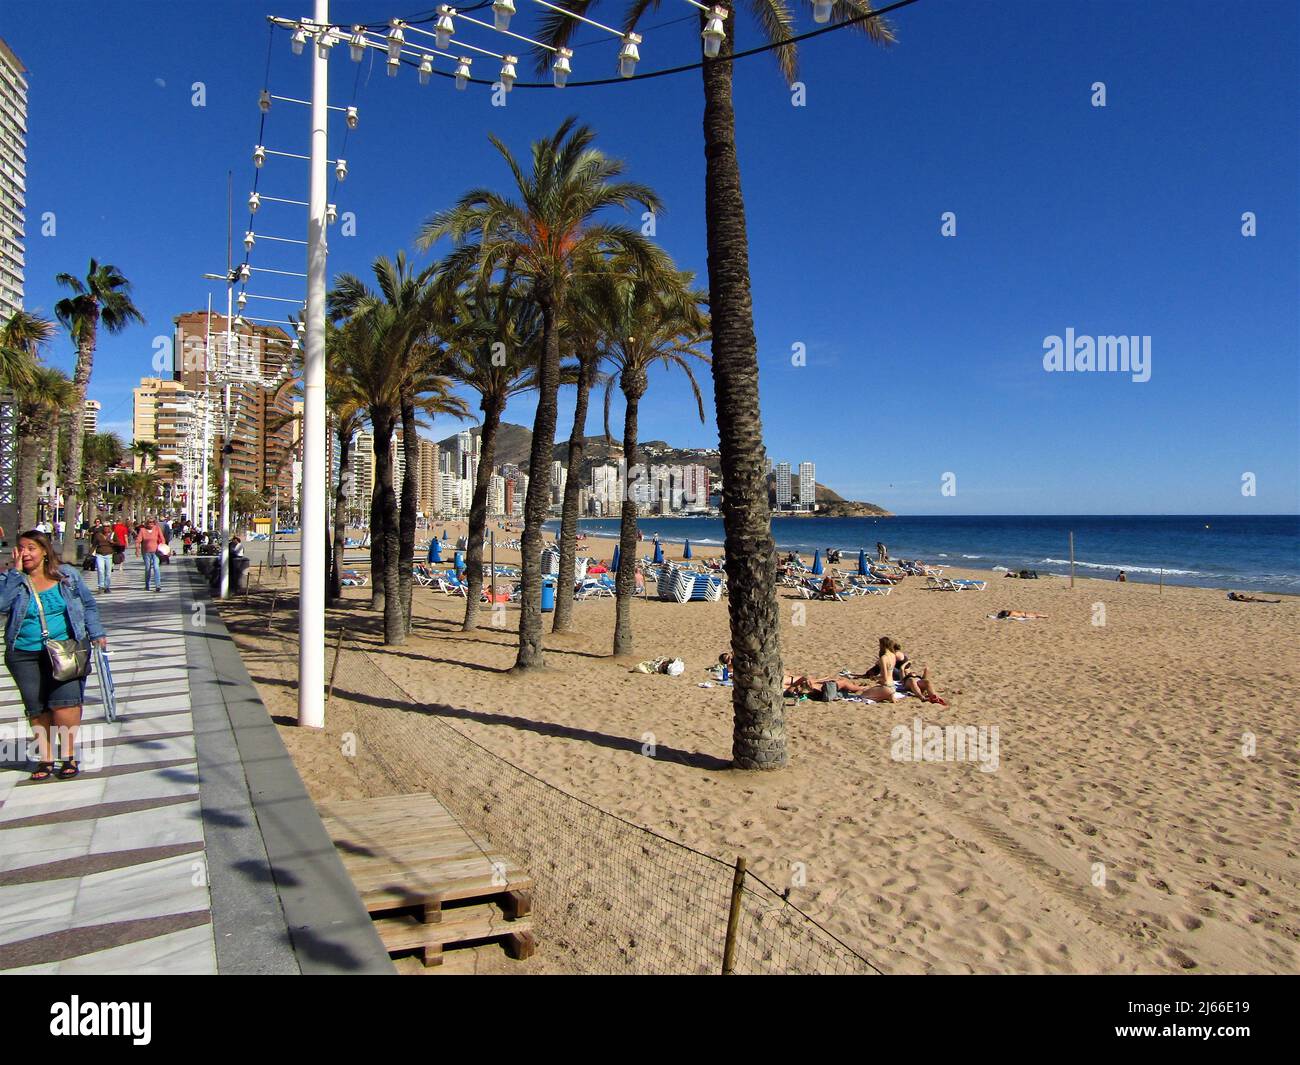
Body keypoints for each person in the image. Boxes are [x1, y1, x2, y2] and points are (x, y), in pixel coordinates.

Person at [0, 530, 108, 780]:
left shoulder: (67, 575)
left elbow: (88, 604)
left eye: (31, 548)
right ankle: (46, 759)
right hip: (24, 653)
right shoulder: (12, 579)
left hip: (65, 649)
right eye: (21, 548)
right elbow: (2, 604)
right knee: (36, 708)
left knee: (65, 705)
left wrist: (96, 632)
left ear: (44, 551)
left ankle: (68, 755)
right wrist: (15, 574)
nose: (25, 553)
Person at [849, 636, 947, 705]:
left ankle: (928, 696)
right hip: (893, 688)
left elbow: (885, 676)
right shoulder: (893, 656)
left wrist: (875, 677)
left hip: (888, 687)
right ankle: (930, 697)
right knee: (922, 681)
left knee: (863, 695)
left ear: (882, 646)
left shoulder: (885, 657)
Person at [136, 517, 164, 592]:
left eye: (152, 522)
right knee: (148, 568)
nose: (151, 524)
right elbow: (138, 540)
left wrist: (163, 546)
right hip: (146, 552)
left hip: (156, 552)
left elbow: (162, 538)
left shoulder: (157, 529)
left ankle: (158, 585)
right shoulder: (142, 530)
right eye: (149, 522)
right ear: (146, 523)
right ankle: (147, 585)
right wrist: (137, 549)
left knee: (156, 567)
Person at [90, 520, 116, 594]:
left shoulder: (113, 534)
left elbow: (118, 543)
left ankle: (107, 587)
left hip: (109, 555)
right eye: (104, 526)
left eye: (107, 527)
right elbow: (94, 545)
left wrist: (113, 542)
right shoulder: (98, 535)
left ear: (109, 527)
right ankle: (101, 586)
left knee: (108, 572)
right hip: (99, 555)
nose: (106, 528)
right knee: (100, 570)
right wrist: (90, 554)